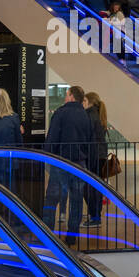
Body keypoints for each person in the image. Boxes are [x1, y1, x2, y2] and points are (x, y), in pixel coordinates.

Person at [42, 85, 93, 245]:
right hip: (79, 163)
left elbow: (52, 138)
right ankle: (72, 234)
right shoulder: (86, 116)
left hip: (60, 162)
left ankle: (48, 232)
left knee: (52, 198)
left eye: (66, 94)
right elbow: (90, 141)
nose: (65, 97)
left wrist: (47, 155)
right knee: (76, 200)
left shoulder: (60, 113)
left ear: (71, 96)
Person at [82, 91, 109, 228]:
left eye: (84, 101)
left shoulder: (89, 116)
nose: (82, 103)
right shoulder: (99, 115)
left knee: (89, 187)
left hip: (92, 156)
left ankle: (95, 217)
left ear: (89, 102)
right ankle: (96, 215)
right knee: (96, 187)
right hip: (100, 156)